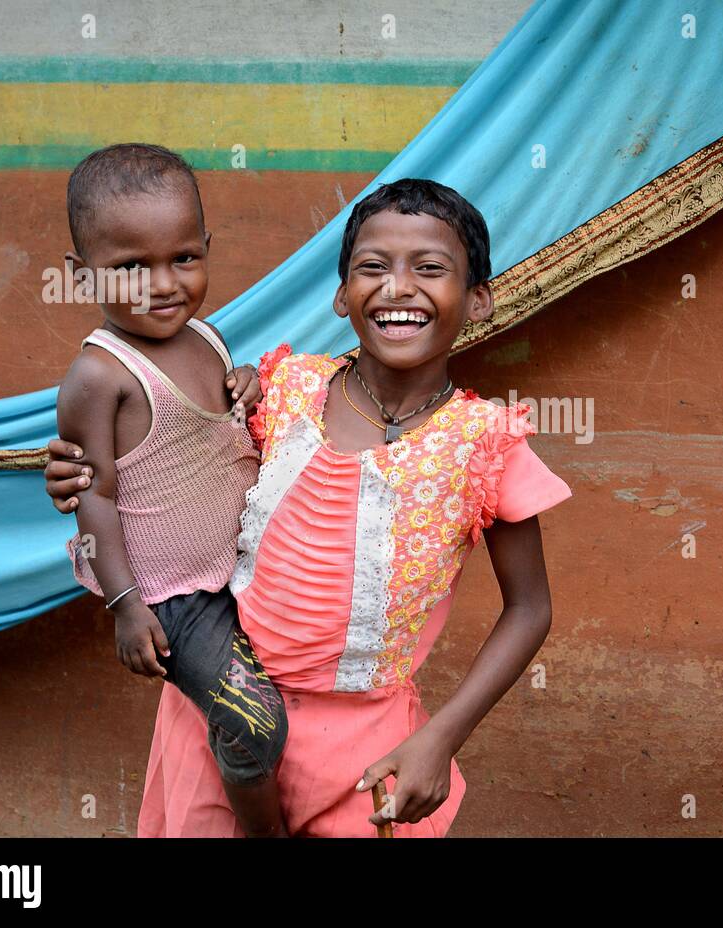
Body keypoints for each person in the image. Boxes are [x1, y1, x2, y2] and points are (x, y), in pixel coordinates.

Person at [46, 177, 571, 836]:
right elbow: (173, 455)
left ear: (479, 299)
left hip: (365, 749)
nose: (398, 287)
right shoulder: (286, 391)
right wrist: (76, 472)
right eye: (372, 267)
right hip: (222, 713)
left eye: (430, 269)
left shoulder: (486, 444)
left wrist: (441, 739)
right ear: (341, 295)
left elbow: (530, 608)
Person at [53, 142, 290, 837]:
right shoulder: (100, 376)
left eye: (183, 258)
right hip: (173, 594)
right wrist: (127, 606)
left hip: (246, 571)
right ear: (78, 275)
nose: (163, 284)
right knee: (254, 721)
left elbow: (221, 427)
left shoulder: (208, 338)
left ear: (206, 247)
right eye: (130, 267)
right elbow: (91, 496)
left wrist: (245, 381)